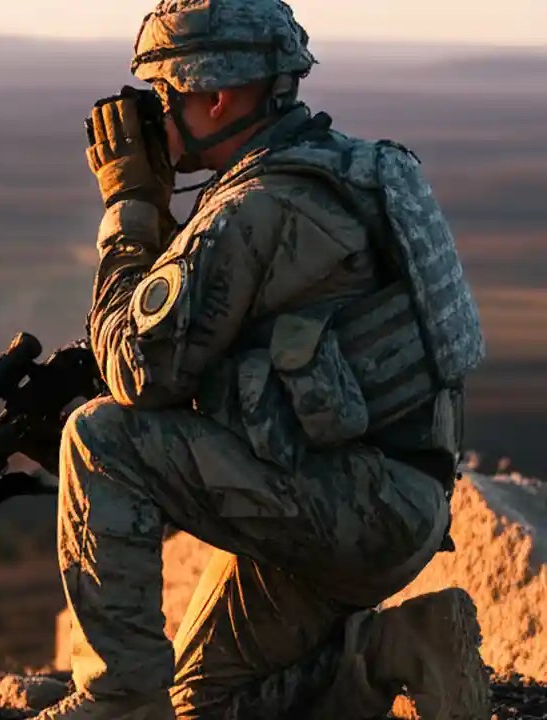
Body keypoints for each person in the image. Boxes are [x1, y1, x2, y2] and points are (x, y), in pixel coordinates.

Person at [38, 1, 490, 718]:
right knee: (206, 704)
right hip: (391, 504)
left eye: (164, 94)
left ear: (216, 96)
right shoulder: (354, 169)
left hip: (350, 508)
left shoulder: (256, 208)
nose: (154, 117)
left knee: (100, 439)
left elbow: (134, 370)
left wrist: (129, 207)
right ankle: (393, 653)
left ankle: (119, 701)